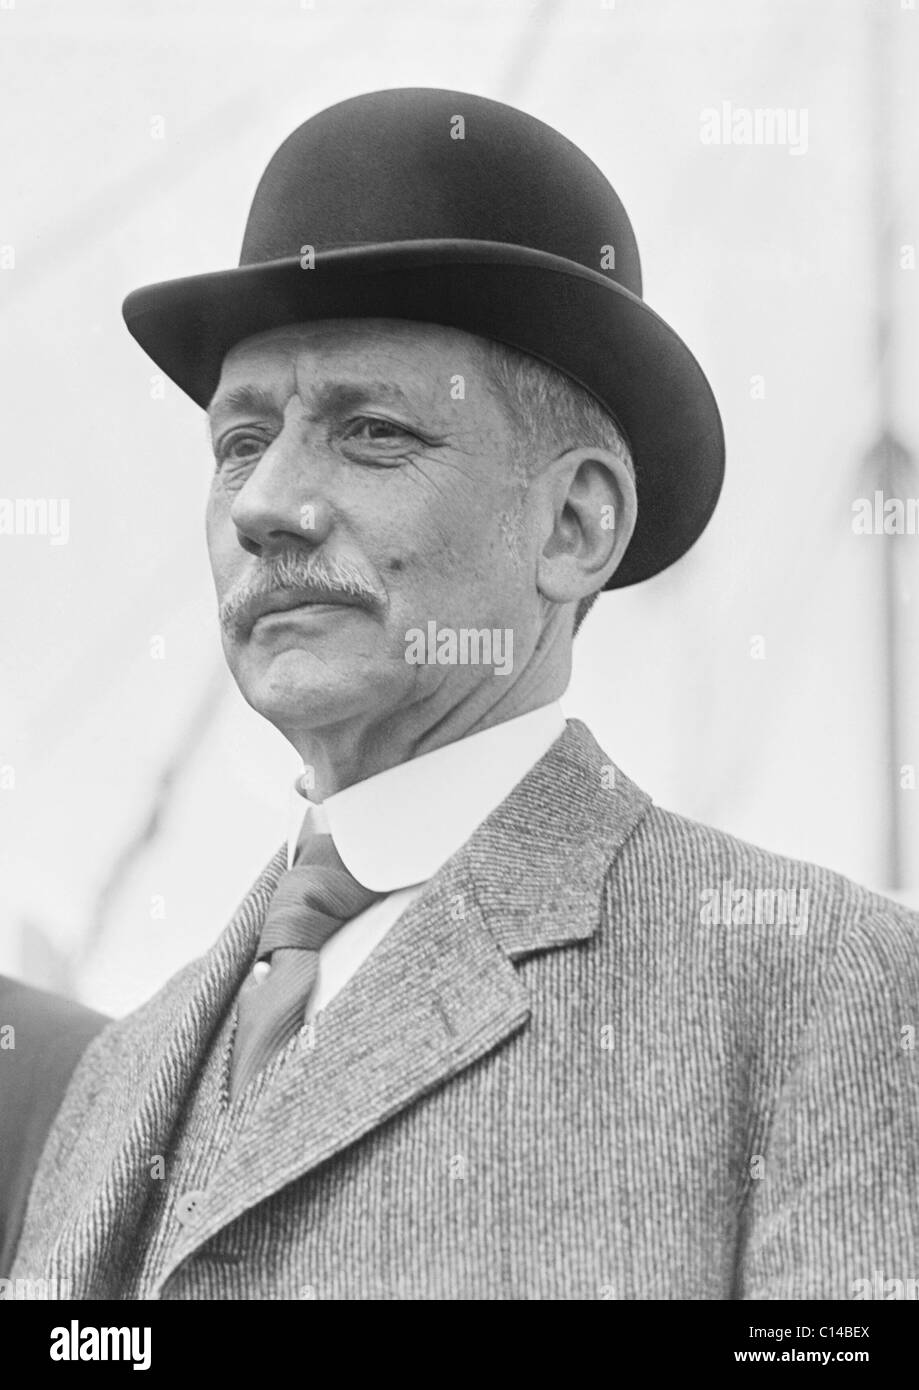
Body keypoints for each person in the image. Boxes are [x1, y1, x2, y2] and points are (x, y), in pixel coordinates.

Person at [6, 88, 918, 1299]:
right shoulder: (119, 1077)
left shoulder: (821, 989)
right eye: (239, 441)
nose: (266, 504)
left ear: (575, 521)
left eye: (373, 431)